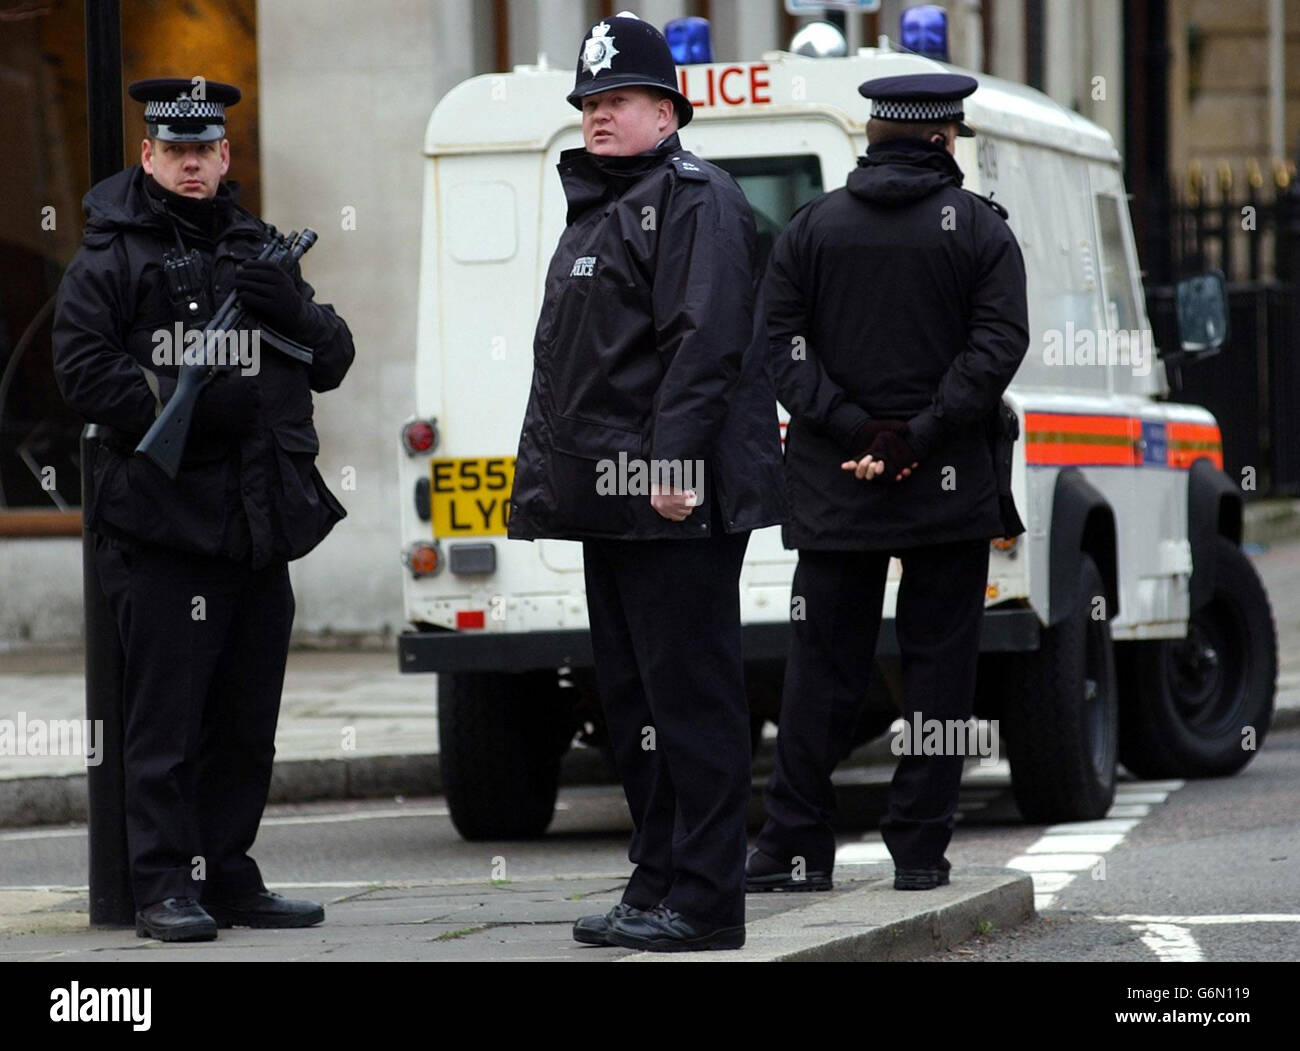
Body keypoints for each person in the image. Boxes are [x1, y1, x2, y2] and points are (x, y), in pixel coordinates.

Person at [507, 15, 786, 951]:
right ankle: (657, 878)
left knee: (690, 702)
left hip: (672, 498)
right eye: (589, 101)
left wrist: (671, 463)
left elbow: (701, 344)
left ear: (666, 111)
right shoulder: (606, 203)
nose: (597, 116)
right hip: (611, 503)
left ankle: (705, 903)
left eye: (616, 100)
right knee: (633, 705)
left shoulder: (696, 199)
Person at [53, 77, 354, 941]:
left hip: (259, 521)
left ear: (226, 157)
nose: (191, 165)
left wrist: (290, 305)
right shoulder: (112, 253)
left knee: (244, 719)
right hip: (165, 523)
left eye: (205, 151)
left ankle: (227, 871)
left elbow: (332, 355)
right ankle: (161, 884)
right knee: (167, 721)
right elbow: (79, 365)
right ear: (148, 155)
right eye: (175, 151)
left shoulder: (259, 247)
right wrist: (168, 400)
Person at [747, 73, 1029, 894]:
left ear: (872, 134)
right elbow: (996, 344)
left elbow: (779, 348)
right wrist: (920, 435)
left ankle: (795, 845)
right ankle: (919, 851)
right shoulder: (978, 231)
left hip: (838, 481)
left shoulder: (811, 229)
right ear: (946, 139)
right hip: (947, 485)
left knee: (820, 669)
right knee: (940, 667)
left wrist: (853, 429)